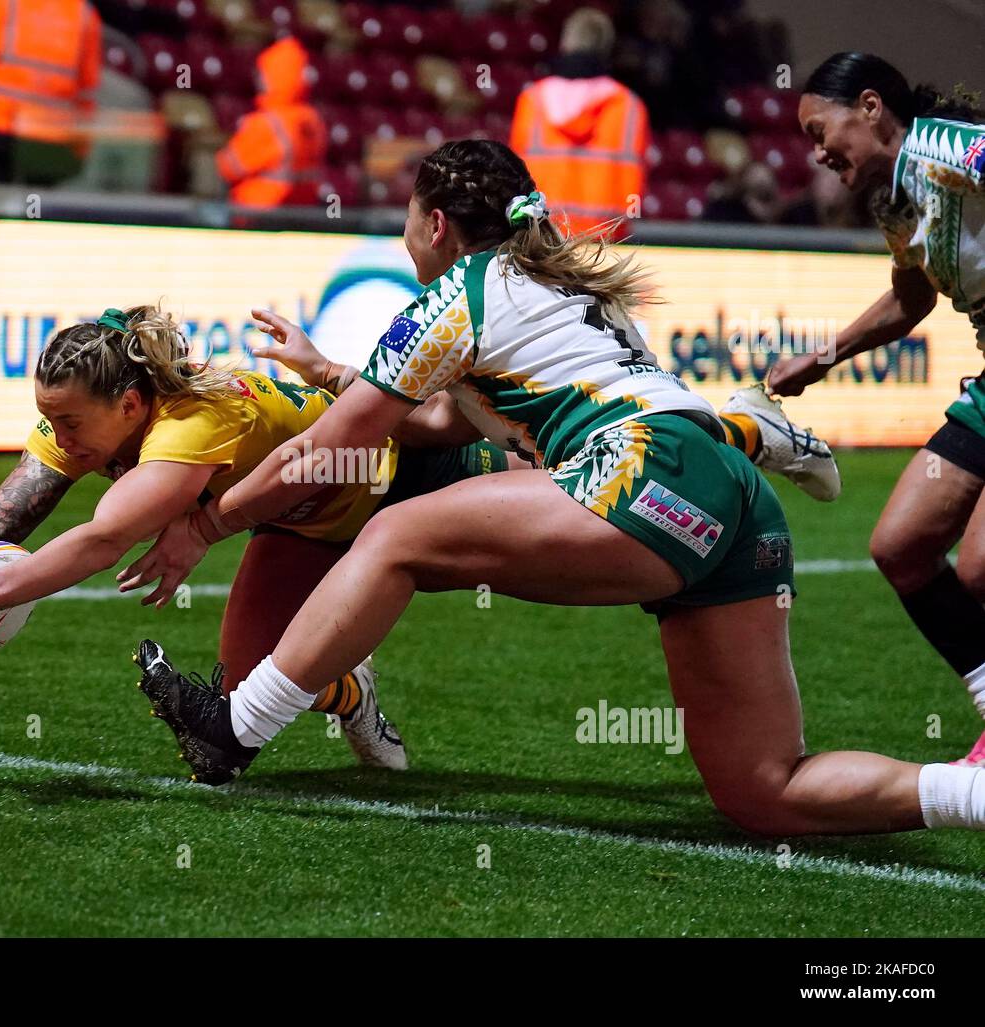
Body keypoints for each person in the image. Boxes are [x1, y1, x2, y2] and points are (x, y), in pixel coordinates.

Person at [124, 140, 985, 840]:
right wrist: (331, 369)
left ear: (434, 223)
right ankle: (969, 795)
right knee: (765, 793)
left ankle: (234, 728)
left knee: (396, 536)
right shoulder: (558, 280)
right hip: (727, 498)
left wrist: (209, 522)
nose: (405, 242)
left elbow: (323, 450)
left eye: (406, 225)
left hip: (644, 472)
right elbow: (444, 424)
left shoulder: (456, 296)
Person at [0, 305, 519, 771]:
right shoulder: (87, 416)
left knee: (552, 524)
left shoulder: (191, 425)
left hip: (398, 470)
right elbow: (8, 517)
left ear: (130, 405)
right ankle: (352, 689)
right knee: (246, 687)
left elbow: (104, 539)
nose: (57, 437)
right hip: (301, 517)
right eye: (49, 418)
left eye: (68, 422)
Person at [770, 52, 985, 764]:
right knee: (901, 546)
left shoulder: (946, 147)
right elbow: (913, 296)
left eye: (818, 129)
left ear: (868, 106)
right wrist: (823, 357)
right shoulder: (897, 196)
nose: (818, 150)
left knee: (982, 569)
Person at [509, 7, 648, 239]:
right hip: (603, 244)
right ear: (608, 49)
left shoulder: (532, 100)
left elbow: (513, 177)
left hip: (542, 239)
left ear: (565, 43)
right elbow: (633, 184)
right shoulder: (629, 106)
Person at [0, 0, 102, 185]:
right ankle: (32, 212)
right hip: (46, 137)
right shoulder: (84, 14)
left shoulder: (0, 4)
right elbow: (86, 92)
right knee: (34, 204)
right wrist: (82, 146)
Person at [215, 37, 326, 208]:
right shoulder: (312, 118)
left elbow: (228, 168)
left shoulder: (266, 123)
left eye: (264, 73)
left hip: (258, 212)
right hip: (301, 210)